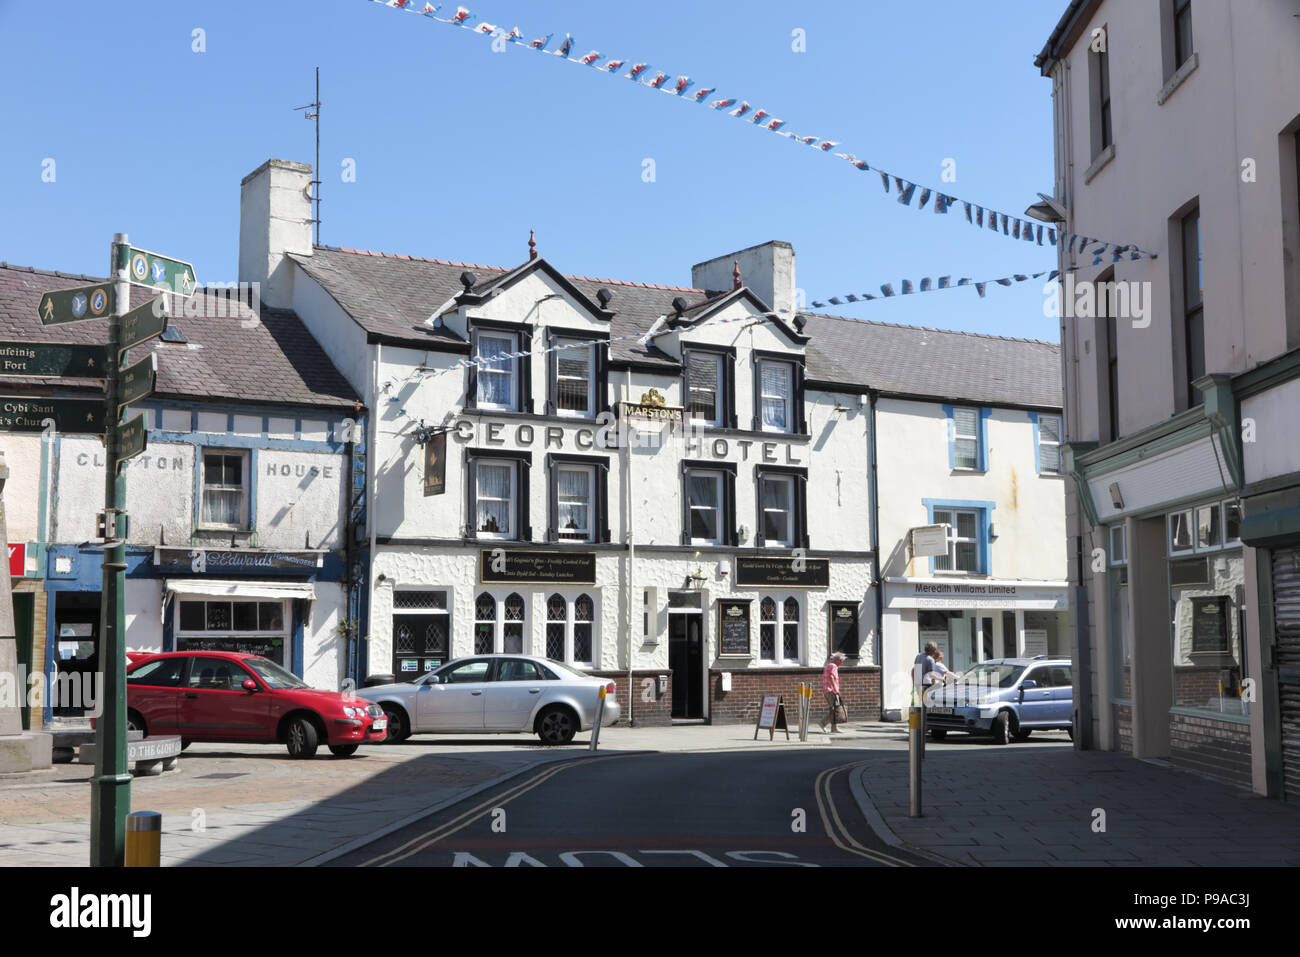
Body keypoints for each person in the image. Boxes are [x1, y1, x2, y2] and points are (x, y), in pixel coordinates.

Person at [820, 652, 846, 733]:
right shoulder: (834, 666)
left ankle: (834, 728)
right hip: (831, 691)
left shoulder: (828, 665)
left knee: (834, 709)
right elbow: (831, 677)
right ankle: (823, 723)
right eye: (842, 661)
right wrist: (836, 690)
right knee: (835, 709)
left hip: (826, 690)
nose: (842, 663)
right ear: (838, 660)